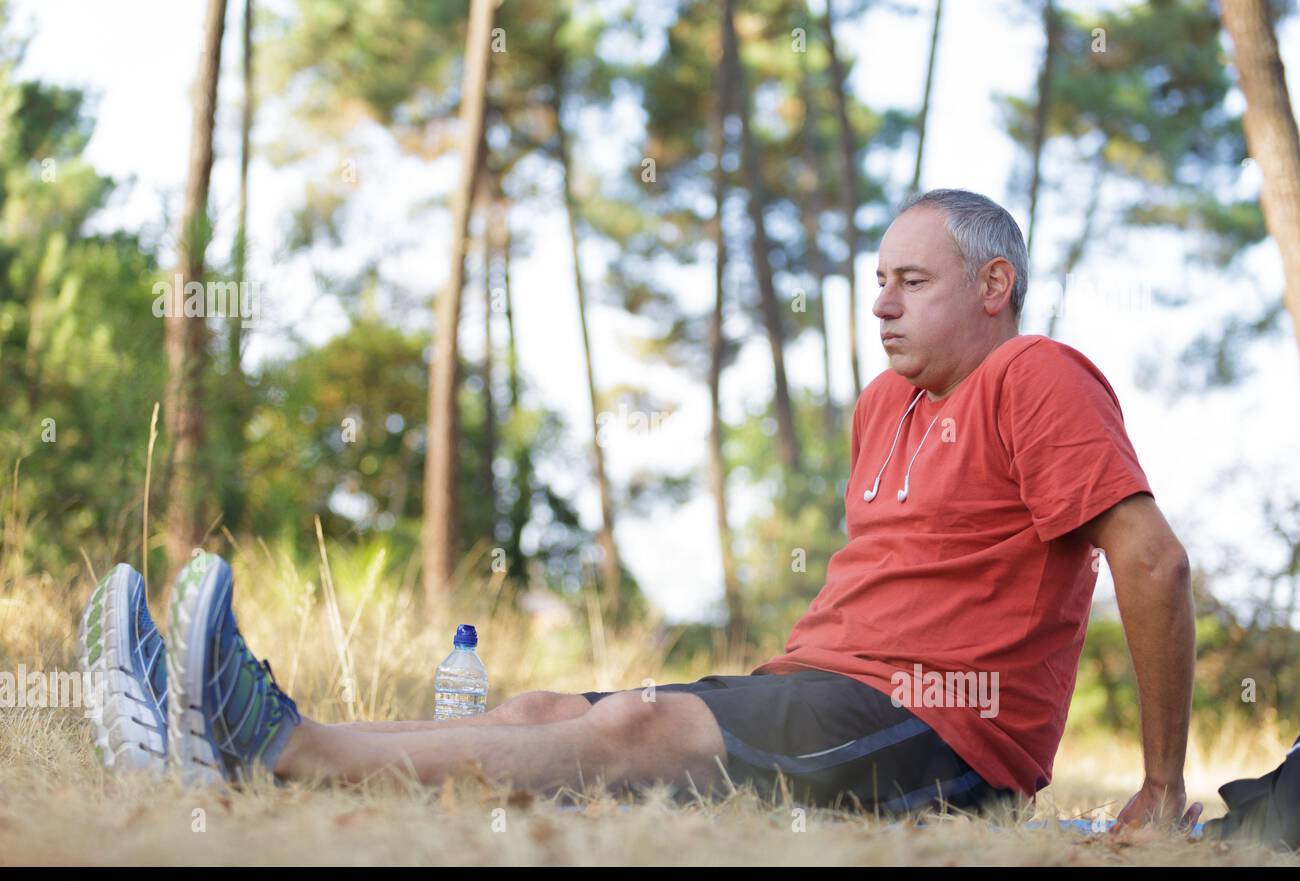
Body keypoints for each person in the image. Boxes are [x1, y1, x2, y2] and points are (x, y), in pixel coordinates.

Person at [80, 188, 1203, 831]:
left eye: (910, 280)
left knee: (631, 731)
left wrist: (1158, 786)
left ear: (992, 286)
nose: (880, 302)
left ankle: (272, 746)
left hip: (941, 728)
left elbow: (1151, 565)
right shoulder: (883, 404)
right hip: (823, 693)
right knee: (538, 705)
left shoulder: (1036, 374)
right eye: (875, 279)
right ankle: (226, 732)